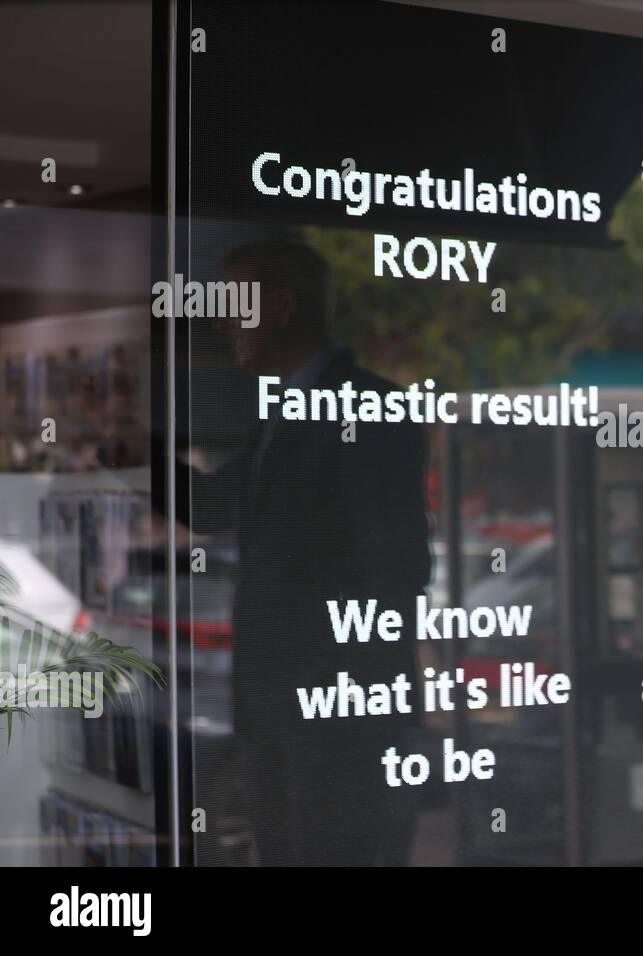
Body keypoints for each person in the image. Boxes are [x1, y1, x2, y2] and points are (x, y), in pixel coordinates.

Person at [190, 239, 431, 865]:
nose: (224, 320)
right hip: (285, 713)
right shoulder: (282, 411)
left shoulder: (368, 405)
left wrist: (332, 693)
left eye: (236, 301)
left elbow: (398, 569)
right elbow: (221, 506)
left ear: (283, 305)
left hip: (331, 720)